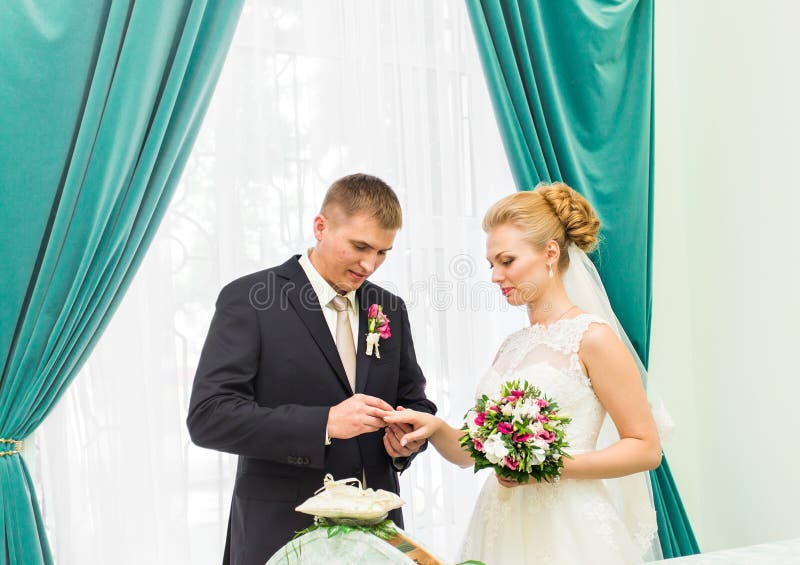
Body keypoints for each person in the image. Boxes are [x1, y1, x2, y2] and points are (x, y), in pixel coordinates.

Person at [384, 182, 663, 564]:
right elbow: (475, 453)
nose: (496, 276)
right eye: (491, 265)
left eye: (507, 261)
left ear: (550, 253)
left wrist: (546, 468)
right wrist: (434, 429)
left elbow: (646, 448)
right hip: (500, 527)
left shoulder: (592, 338)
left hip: (569, 531)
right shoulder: (511, 346)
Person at [187, 173, 437, 565]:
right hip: (281, 532)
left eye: (383, 252)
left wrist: (409, 437)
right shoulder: (250, 299)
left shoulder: (389, 307)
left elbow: (414, 401)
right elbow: (209, 418)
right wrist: (324, 424)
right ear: (320, 227)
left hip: (377, 540)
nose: (370, 264)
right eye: (360, 246)